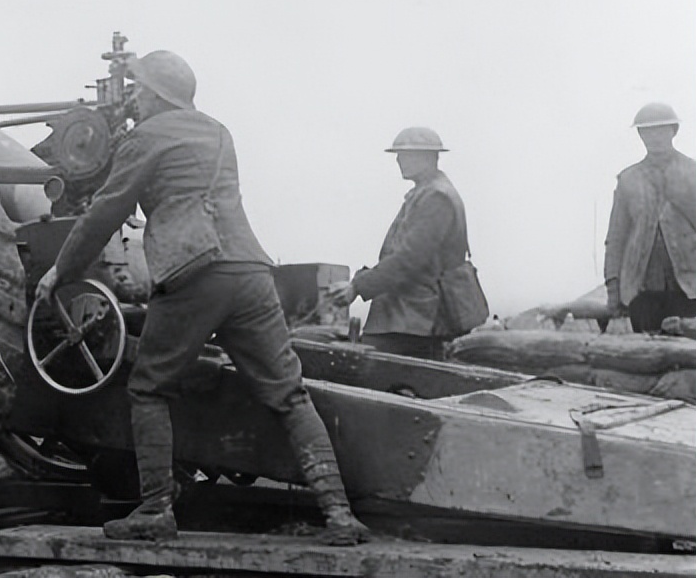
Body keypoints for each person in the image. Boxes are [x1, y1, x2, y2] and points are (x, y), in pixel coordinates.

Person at [35, 51, 369, 546]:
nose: (135, 101)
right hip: (250, 272)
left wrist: (61, 271)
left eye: (140, 93)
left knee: (149, 388)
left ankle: (154, 511)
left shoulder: (144, 138)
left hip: (193, 271)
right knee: (288, 393)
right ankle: (339, 514)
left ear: (153, 95)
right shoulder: (218, 132)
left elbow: (107, 210)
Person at [325, 127, 469, 360]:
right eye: (399, 155)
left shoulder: (436, 197)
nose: (400, 160)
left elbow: (409, 259)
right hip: (409, 317)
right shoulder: (425, 193)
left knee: (361, 369)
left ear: (429, 157)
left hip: (415, 319)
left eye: (407, 154)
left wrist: (358, 287)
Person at [603, 102, 696, 333]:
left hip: (691, 289)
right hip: (641, 292)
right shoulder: (628, 180)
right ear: (640, 135)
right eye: (647, 131)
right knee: (647, 355)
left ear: (673, 131)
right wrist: (614, 289)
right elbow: (616, 238)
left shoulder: (695, 173)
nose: (654, 137)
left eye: (661, 130)